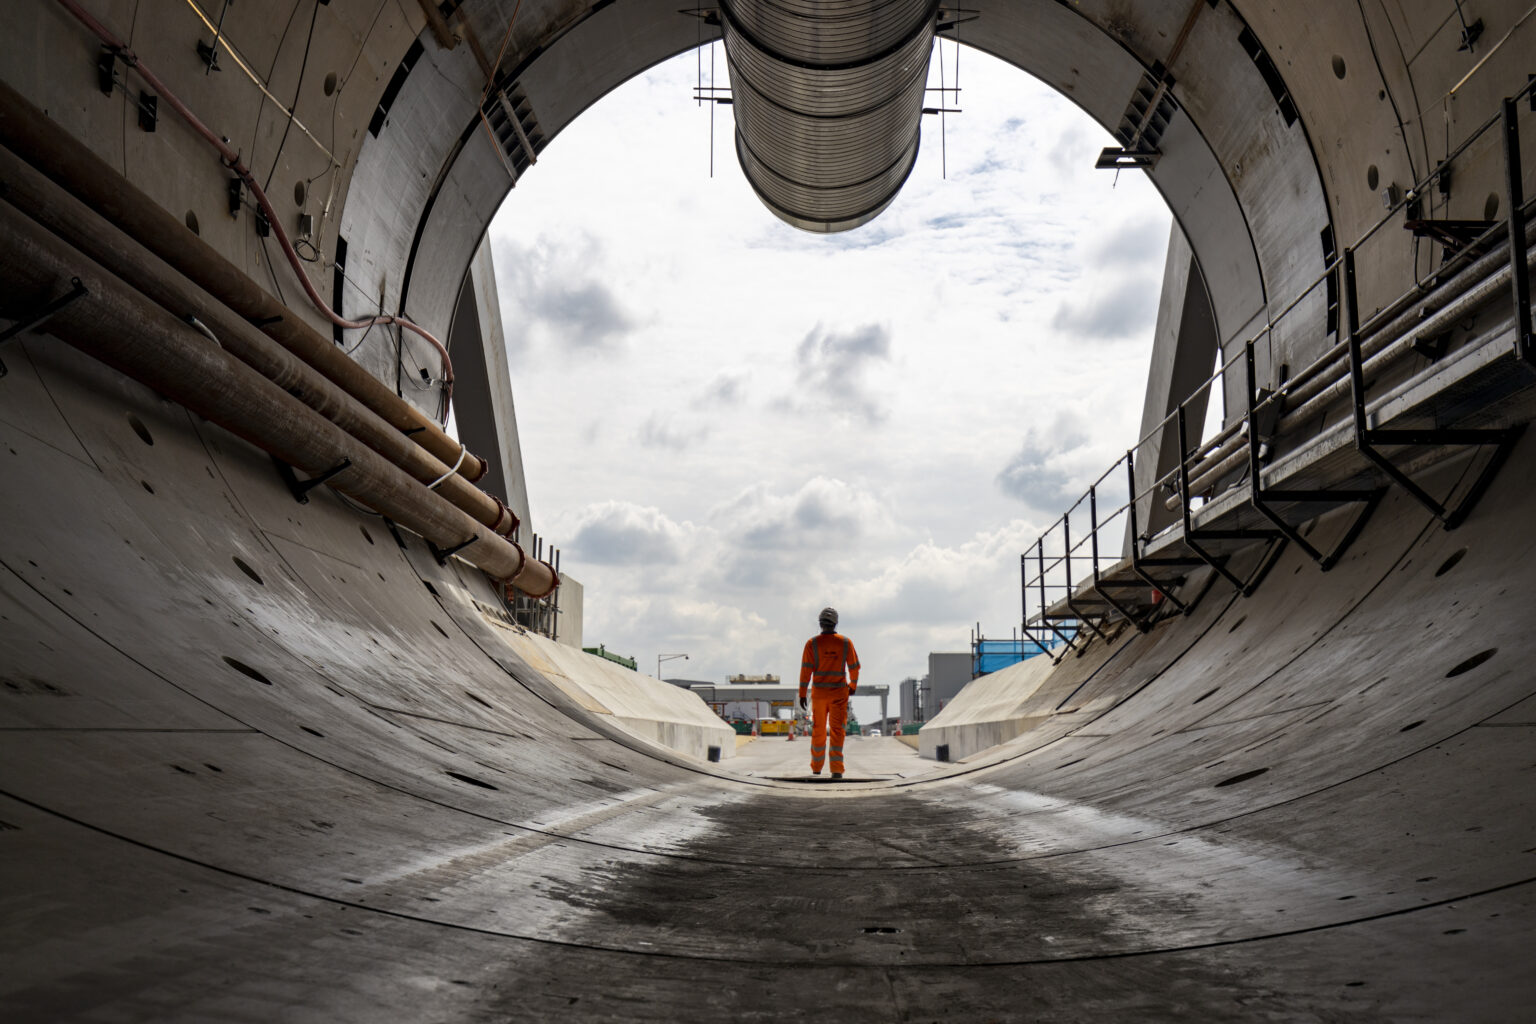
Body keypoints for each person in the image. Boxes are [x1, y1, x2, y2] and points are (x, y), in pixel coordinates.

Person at [798, 606, 859, 779]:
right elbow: (854, 668)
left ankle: (816, 767)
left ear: (820, 623)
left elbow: (805, 671)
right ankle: (837, 770)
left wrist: (803, 693)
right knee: (837, 731)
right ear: (835, 623)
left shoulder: (812, 644)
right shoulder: (845, 643)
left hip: (818, 695)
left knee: (818, 730)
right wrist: (852, 686)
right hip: (839, 694)